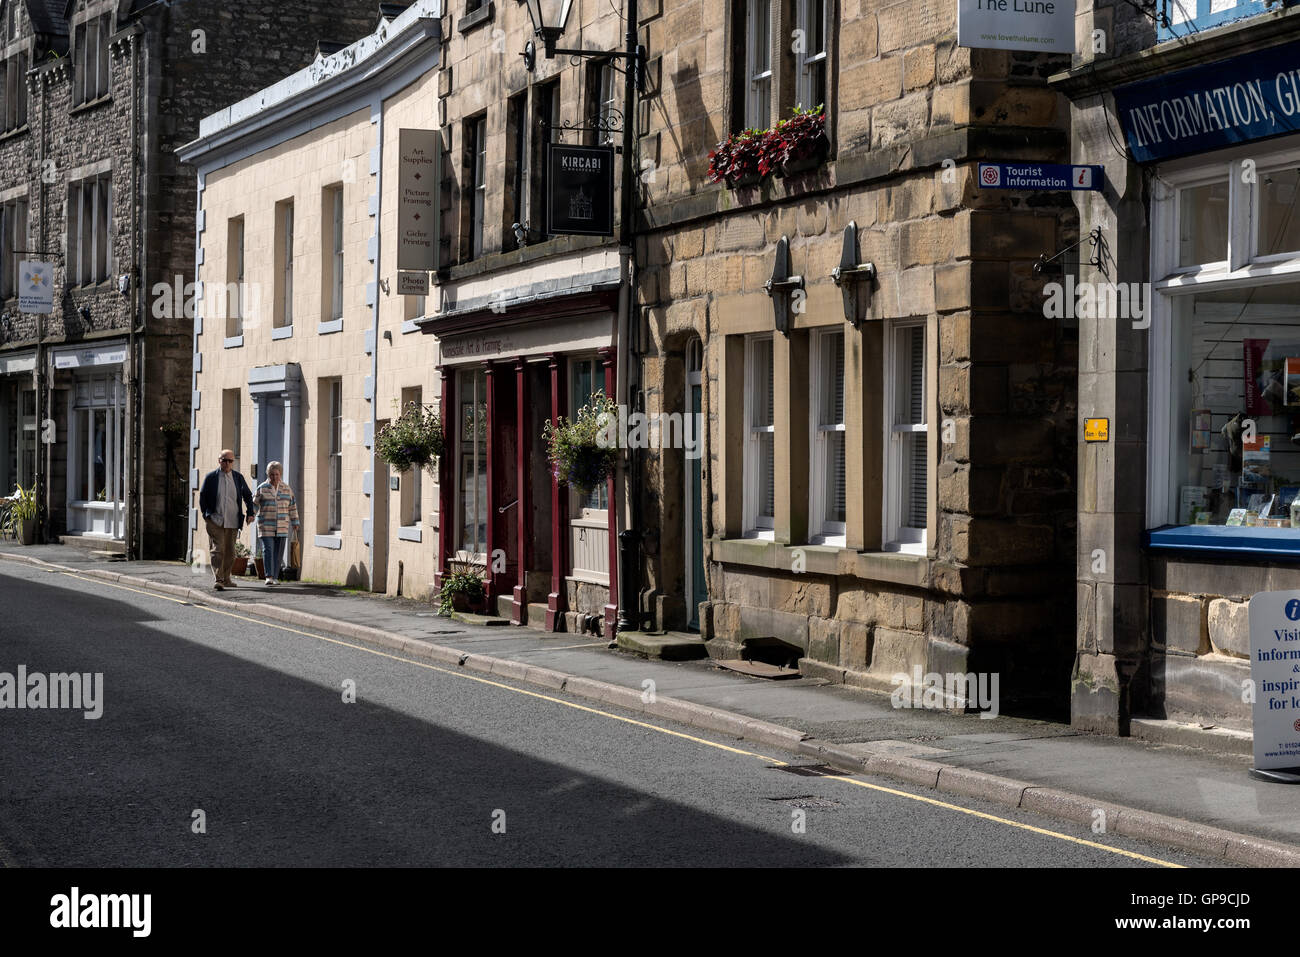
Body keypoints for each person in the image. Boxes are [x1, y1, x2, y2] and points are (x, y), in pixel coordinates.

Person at [198, 449, 256, 591]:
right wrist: (207, 515)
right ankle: (219, 579)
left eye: (230, 461)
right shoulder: (211, 477)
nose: (227, 463)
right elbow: (203, 496)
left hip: (233, 520)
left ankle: (227, 578)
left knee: (230, 551)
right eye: (224, 460)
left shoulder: (238, 477)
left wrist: (250, 513)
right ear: (219, 461)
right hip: (215, 520)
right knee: (218, 549)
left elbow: (248, 496)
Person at [253, 461, 300, 586]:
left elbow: (292, 506)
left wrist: (295, 521)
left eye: (277, 474)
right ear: (268, 474)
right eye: (271, 474)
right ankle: (268, 576)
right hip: (265, 525)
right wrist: (251, 515)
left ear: (280, 474)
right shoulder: (262, 488)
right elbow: (254, 504)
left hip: (282, 526)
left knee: (278, 552)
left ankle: (274, 576)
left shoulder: (286, 489)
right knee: (268, 549)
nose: (274, 477)